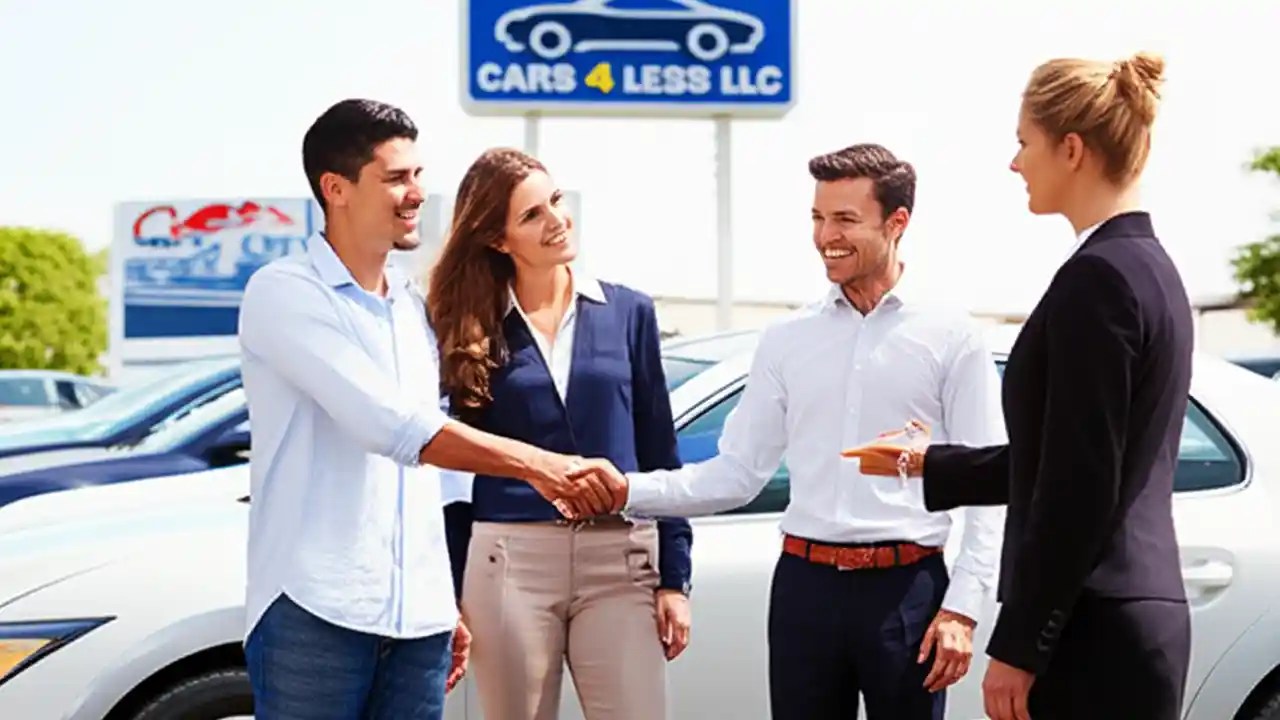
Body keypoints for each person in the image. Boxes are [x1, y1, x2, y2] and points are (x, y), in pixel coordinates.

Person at [576, 143, 1007, 719]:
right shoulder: (786, 341)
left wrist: (962, 609)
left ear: (897, 222)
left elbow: (987, 485)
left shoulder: (952, 336)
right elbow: (736, 474)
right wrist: (626, 490)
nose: (826, 235)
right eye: (818, 217)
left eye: (845, 219)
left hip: (907, 594)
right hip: (805, 591)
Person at [237, 100, 608, 720]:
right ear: (337, 189)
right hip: (314, 610)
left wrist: (439, 596)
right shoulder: (285, 293)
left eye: (417, 175)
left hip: (419, 622)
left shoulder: (409, 306)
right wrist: (543, 466)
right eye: (396, 178)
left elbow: (435, 475)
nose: (416, 194)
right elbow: (390, 427)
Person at [863, 52, 1192, 720]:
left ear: (1071, 149)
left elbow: (1080, 486)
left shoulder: (1097, 280)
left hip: (1090, 630)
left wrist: (1020, 645)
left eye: (1023, 143)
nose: (1015, 163)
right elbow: (1070, 461)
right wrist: (930, 465)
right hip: (1132, 618)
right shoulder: (1152, 270)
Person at [426, 147, 693, 720]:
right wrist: (449, 591)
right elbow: (452, 474)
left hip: (621, 560)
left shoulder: (629, 312)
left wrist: (675, 578)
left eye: (554, 200)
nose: (556, 219)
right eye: (531, 215)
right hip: (507, 562)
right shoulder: (467, 326)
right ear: (498, 240)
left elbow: (659, 451)